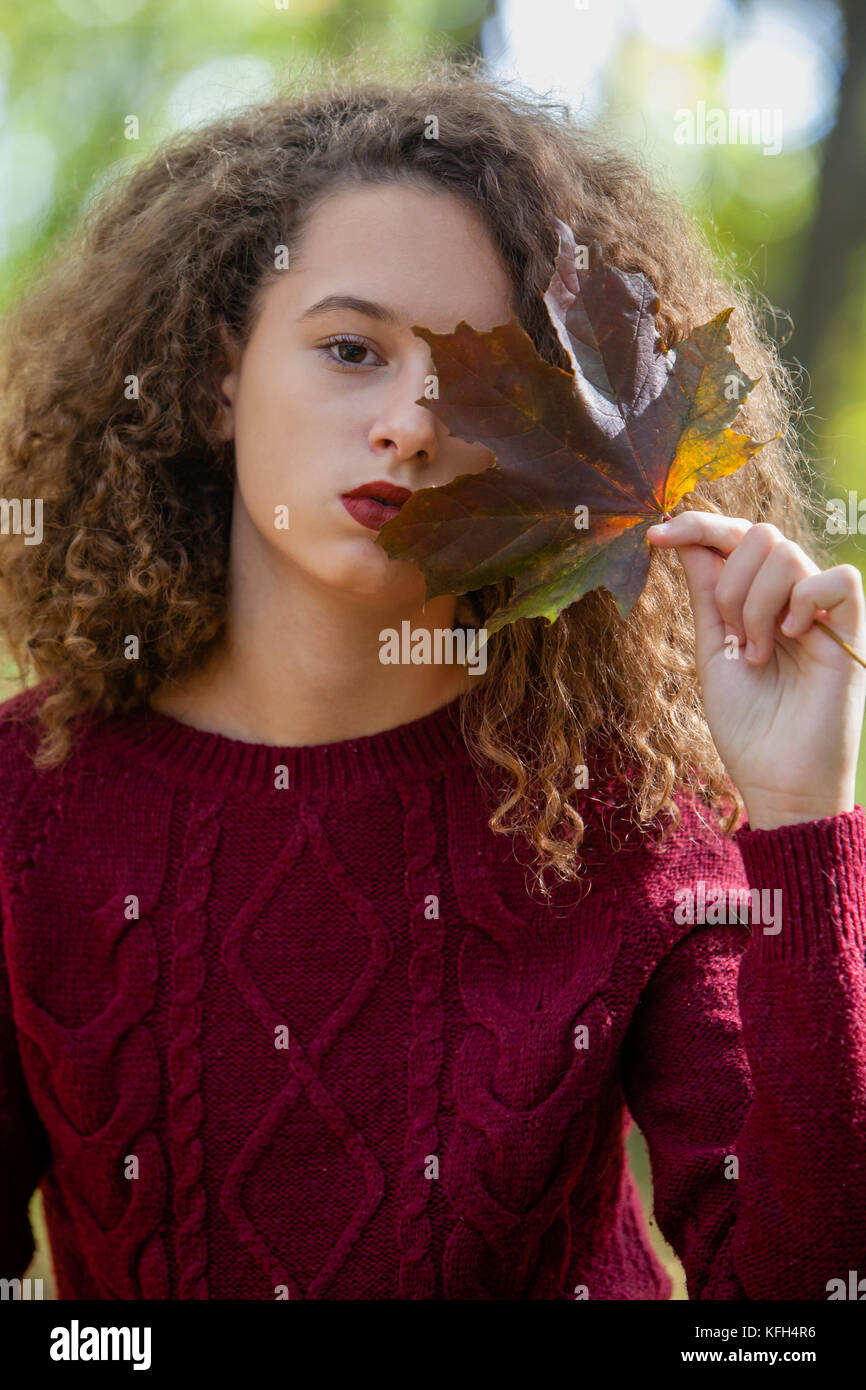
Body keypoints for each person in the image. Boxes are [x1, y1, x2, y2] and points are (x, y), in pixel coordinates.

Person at [0, 56, 864, 1302]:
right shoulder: (30, 809)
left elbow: (800, 1306)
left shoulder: (628, 823)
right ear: (214, 376)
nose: (411, 422)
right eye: (352, 347)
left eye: (476, 380)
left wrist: (797, 823)